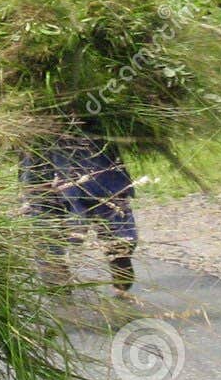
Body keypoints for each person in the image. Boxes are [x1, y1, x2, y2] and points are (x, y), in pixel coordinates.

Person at [19, 125, 138, 294]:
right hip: (40, 139)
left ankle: (119, 251)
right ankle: (55, 274)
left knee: (104, 193)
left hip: (83, 131)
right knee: (44, 204)